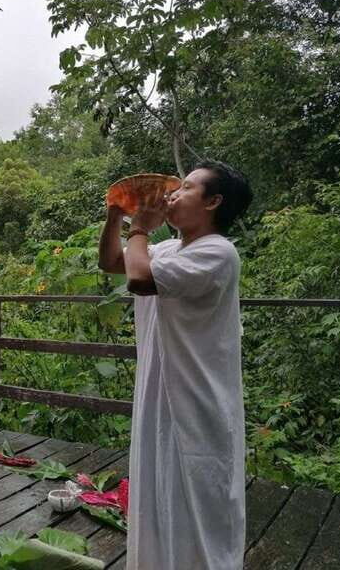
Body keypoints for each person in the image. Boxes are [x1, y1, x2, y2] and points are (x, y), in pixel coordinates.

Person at [98, 161, 253, 570]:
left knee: (198, 501)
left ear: (213, 202)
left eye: (185, 188)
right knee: (158, 491)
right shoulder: (170, 249)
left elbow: (139, 280)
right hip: (160, 394)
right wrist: (117, 214)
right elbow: (112, 262)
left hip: (197, 400)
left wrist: (140, 228)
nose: (172, 195)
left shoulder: (217, 252)